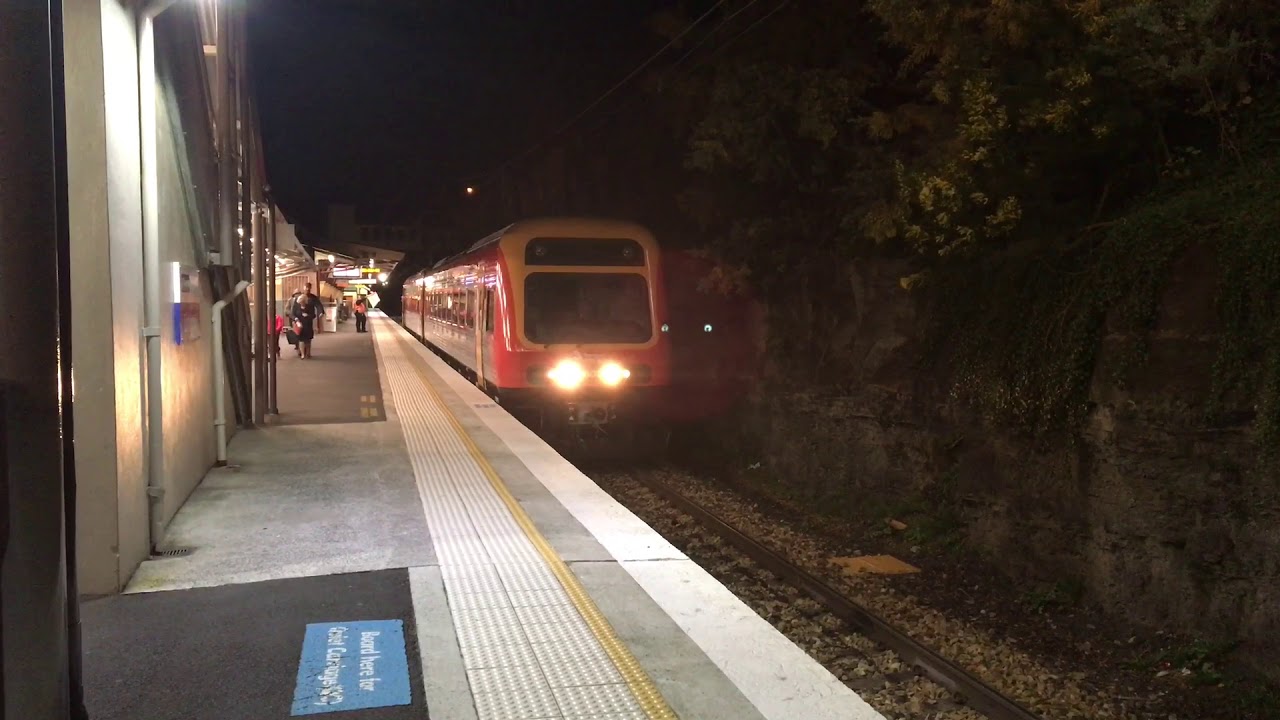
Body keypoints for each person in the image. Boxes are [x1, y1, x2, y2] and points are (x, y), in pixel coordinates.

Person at [291, 282, 324, 359]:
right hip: (300, 322)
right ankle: (302, 353)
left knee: (308, 338)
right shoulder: (298, 298)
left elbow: (318, 305)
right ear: (303, 288)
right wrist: (296, 319)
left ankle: (308, 353)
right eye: (306, 288)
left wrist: (320, 312)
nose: (307, 289)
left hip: (308, 321)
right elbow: (293, 312)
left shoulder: (313, 298)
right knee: (301, 339)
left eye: (309, 288)